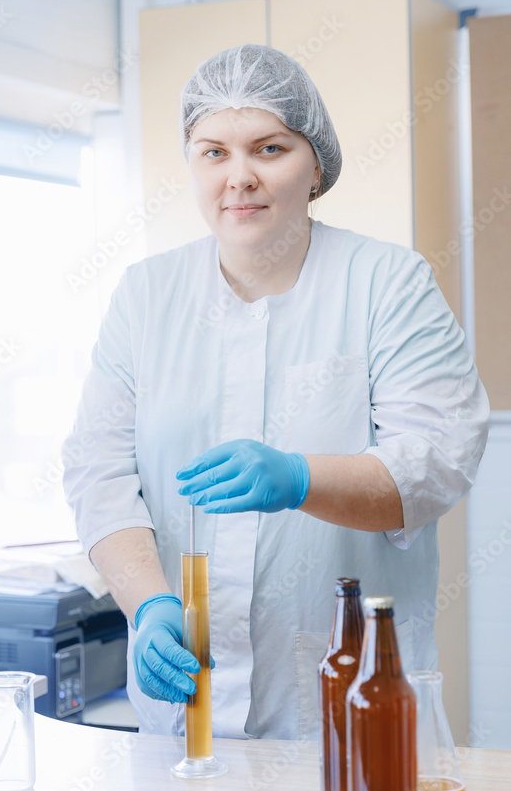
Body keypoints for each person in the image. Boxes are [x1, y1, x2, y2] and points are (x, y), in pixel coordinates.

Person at [62, 44, 489, 740]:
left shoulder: (387, 282)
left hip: (346, 702)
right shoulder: (146, 295)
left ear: (315, 160)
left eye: (268, 148)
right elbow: (96, 469)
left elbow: (438, 459)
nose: (239, 178)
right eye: (213, 152)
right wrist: (147, 607)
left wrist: (299, 478)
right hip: (186, 716)